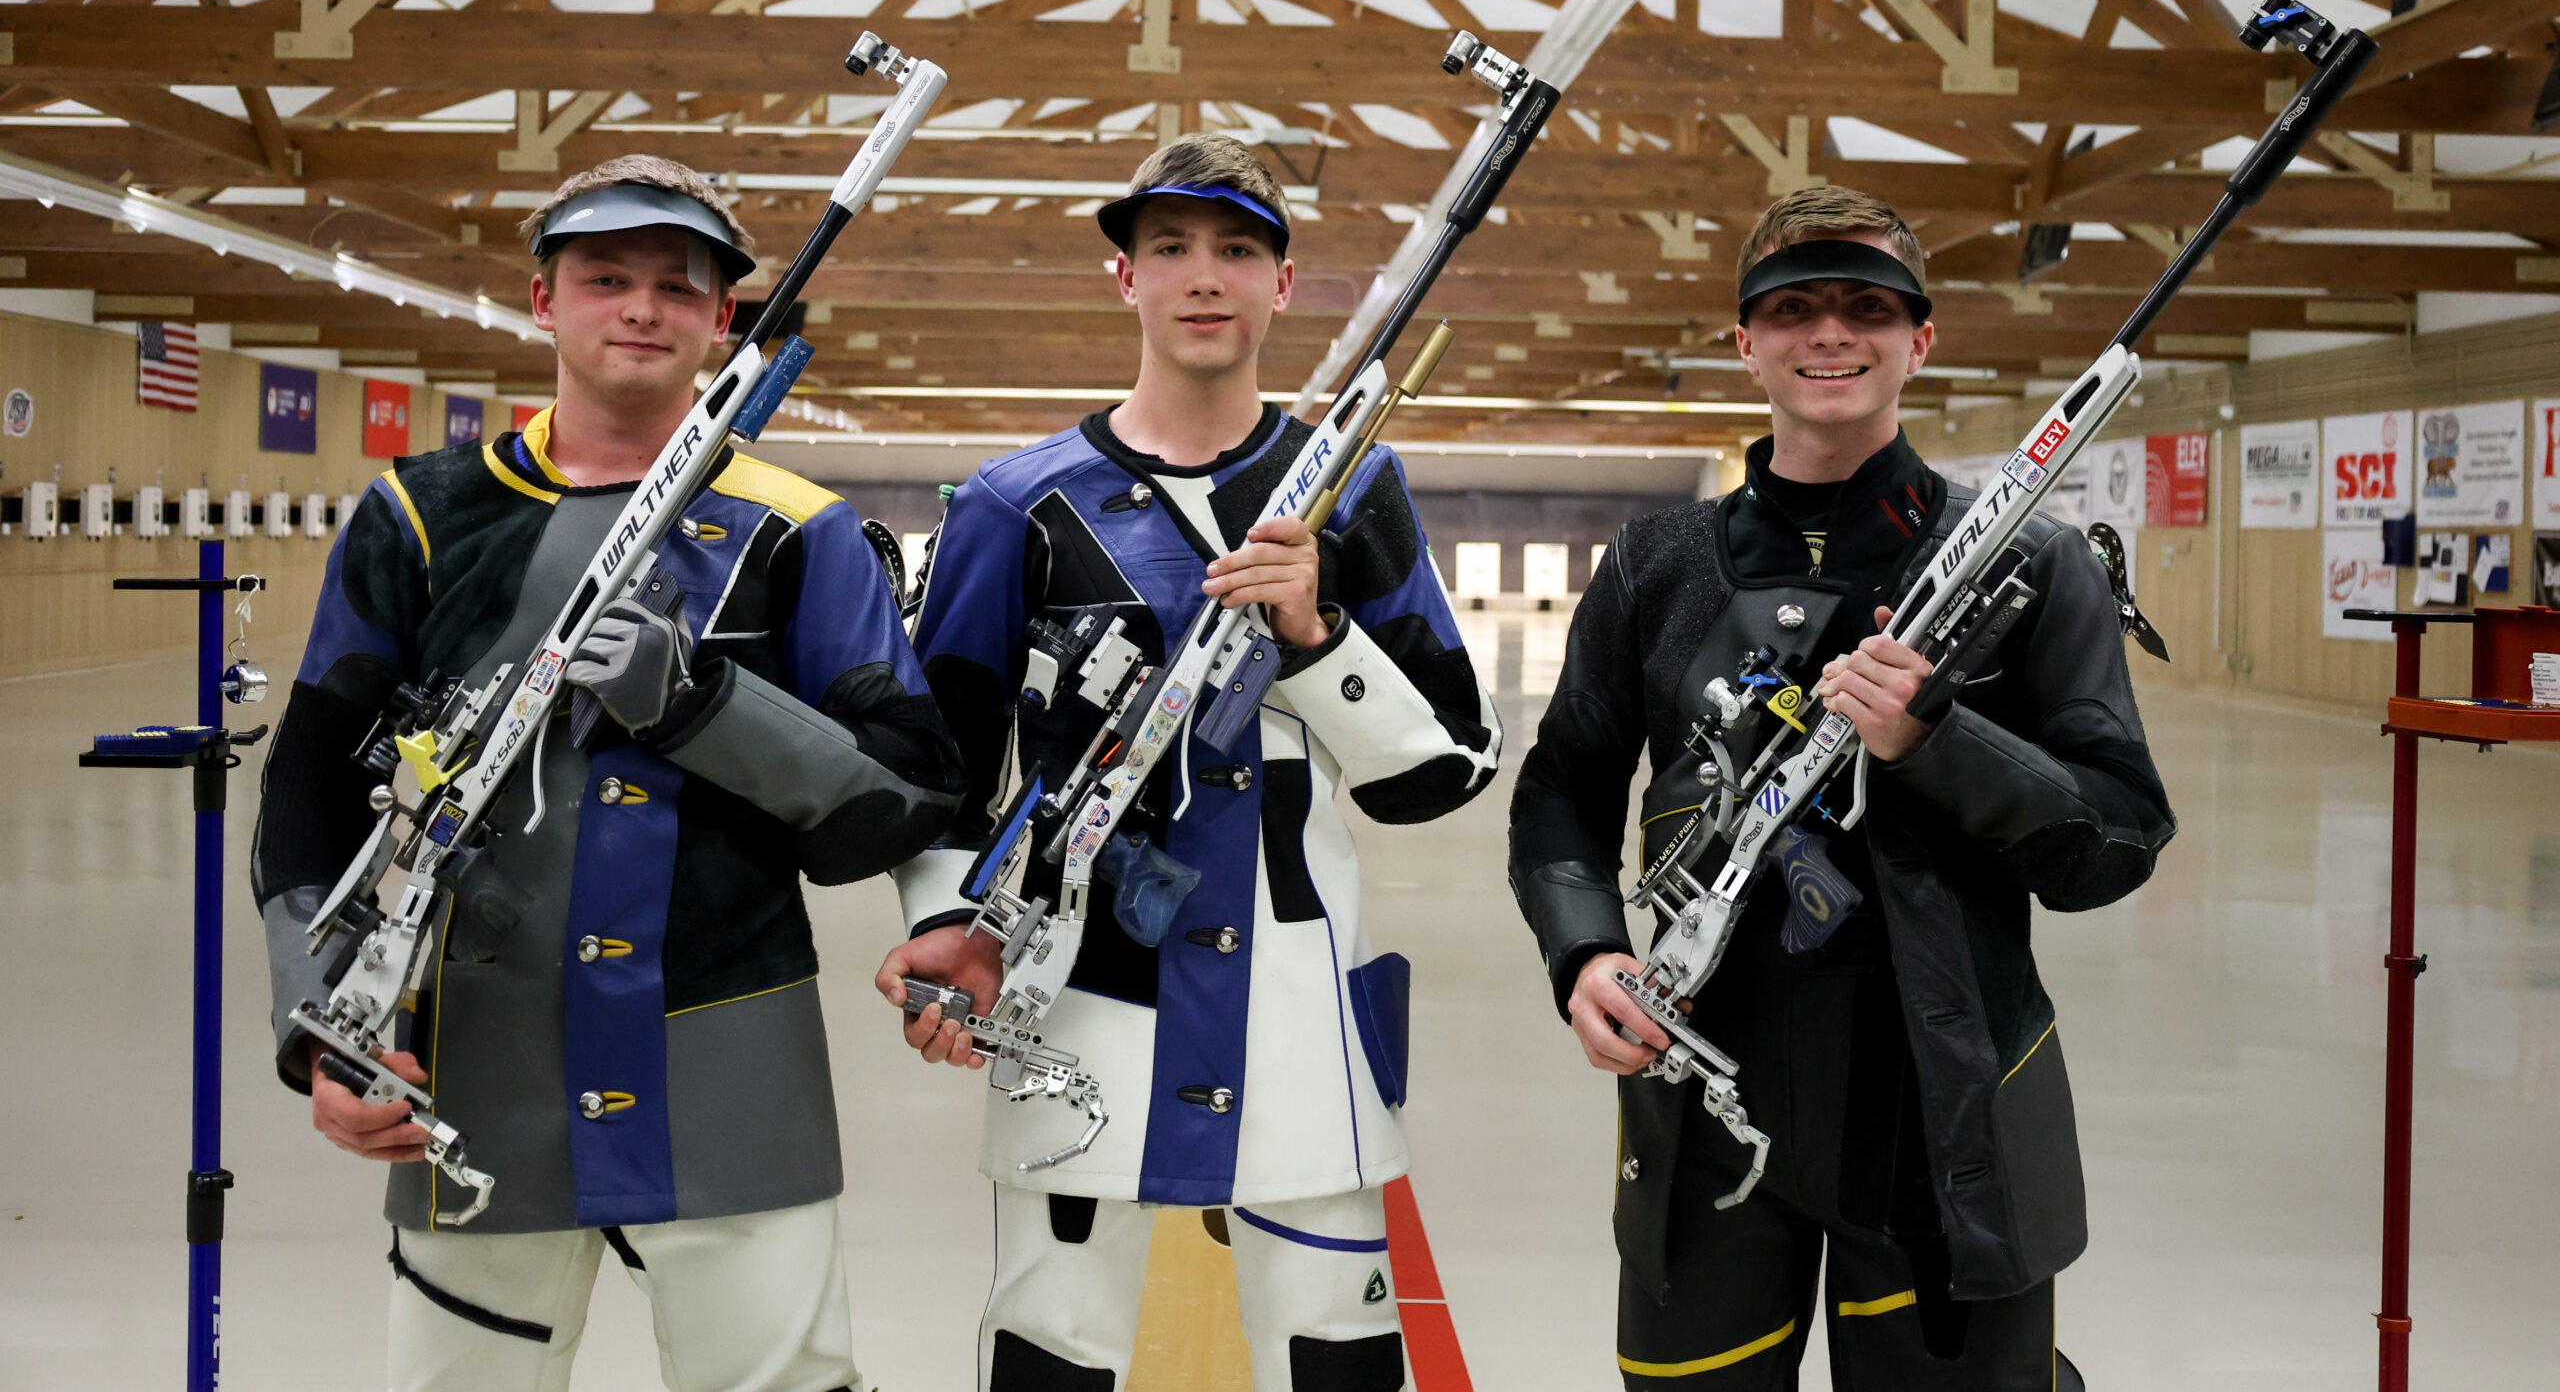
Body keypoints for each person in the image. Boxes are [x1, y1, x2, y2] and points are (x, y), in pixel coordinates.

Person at [251, 154, 965, 1392]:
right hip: (474, 1064)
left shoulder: (799, 531)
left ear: (722, 317)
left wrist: (701, 708)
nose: (641, 307)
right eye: (605, 278)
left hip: (729, 1053)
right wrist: (321, 1030)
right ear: (544, 299)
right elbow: (309, 794)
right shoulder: (418, 516)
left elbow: (900, 802)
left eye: (677, 286)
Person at [1508, 185, 2174, 1389]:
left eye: (1868, 307)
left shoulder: (2031, 564)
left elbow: (2116, 841)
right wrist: (1585, 952)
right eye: (1792, 307)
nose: (1829, 333)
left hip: (1947, 1116)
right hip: (1701, 1101)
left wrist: (1936, 741)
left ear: (1920, 339)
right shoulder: (1656, 564)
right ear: (1744, 340)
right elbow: (1562, 785)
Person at [878, 133, 1501, 1391]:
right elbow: (936, 769)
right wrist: (950, 922)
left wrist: (1317, 639)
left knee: (1335, 1344)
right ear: (1125, 277)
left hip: (1298, 1005)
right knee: (1053, 1345)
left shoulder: (1351, 489)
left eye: (1236, 249)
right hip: (1076, 996)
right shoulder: (1015, 504)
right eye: (1169, 247)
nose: (1203, 275)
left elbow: (1447, 768)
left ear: (1283, 283)